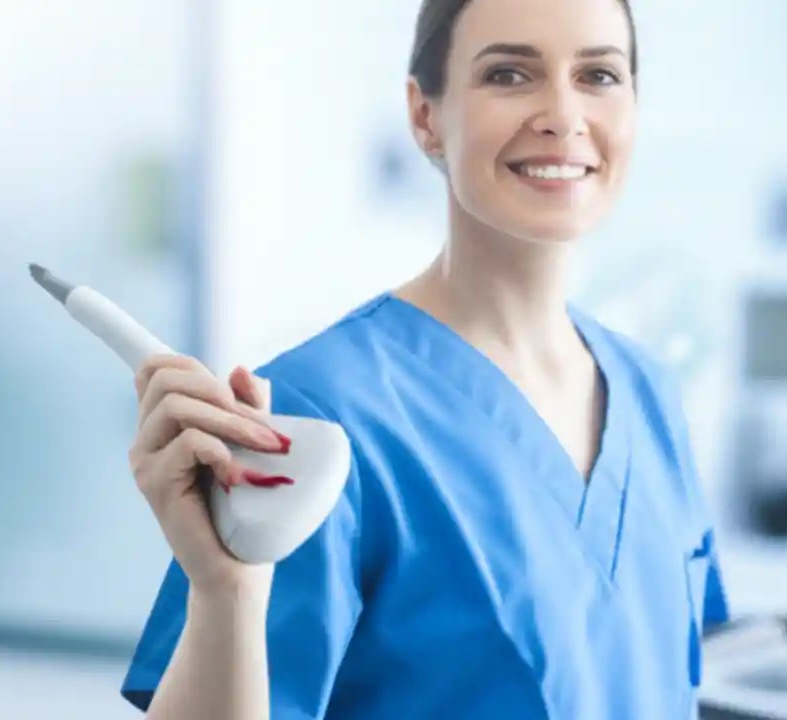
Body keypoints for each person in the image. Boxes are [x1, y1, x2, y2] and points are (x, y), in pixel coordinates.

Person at [121, 0, 728, 717]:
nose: (563, 114)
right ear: (425, 116)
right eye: (509, 73)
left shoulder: (648, 390)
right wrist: (228, 593)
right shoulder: (314, 419)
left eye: (598, 75)